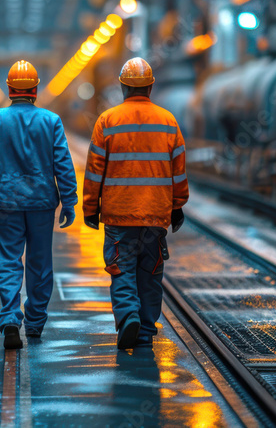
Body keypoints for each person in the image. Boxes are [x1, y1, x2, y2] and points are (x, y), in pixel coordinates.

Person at [82, 57, 188, 350]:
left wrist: (90, 208)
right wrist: (177, 205)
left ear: (122, 86)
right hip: (155, 215)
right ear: (151, 86)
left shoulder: (108, 120)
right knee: (151, 272)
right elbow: (178, 169)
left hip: (119, 215)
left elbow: (94, 171)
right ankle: (144, 328)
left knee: (121, 268)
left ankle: (127, 314)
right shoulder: (168, 121)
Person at [0, 60, 77, 349]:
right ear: (36, 89)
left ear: (9, 89)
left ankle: (9, 317)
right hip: (42, 203)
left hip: (5, 201)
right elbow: (63, 165)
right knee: (40, 262)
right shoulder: (51, 121)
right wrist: (68, 201)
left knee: (7, 259)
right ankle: (34, 322)